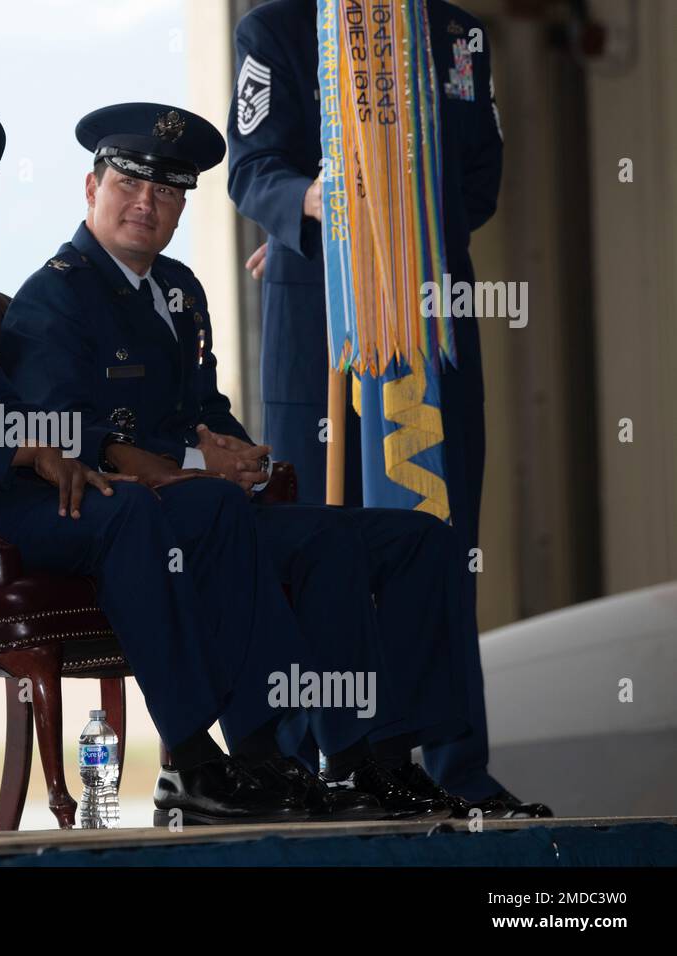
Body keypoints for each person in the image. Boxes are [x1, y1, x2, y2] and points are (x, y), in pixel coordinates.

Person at [0, 91, 382, 826]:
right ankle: (190, 761)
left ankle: (264, 755)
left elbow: (7, 405)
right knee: (131, 511)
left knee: (209, 503)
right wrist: (26, 447)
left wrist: (71, 448)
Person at [0, 101, 546, 818]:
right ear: (90, 188)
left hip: (213, 505)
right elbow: (68, 431)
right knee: (323, 547)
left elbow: (206, 406)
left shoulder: (179, 290)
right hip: (148, 520)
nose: (147, 203)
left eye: (167, 191)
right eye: (128, 184)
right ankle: (331, 757)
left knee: (419, 540)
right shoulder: (56, 294)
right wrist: (197, 456)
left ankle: (387, 756)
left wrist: (244, 453)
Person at [225, 0, 546, 813]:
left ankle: (450, 769)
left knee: (439, 547)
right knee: (313, 544)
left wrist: (388, 236)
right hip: (317, 327)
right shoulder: (278, 29)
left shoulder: (456, 33)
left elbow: (478, 180)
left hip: (429, 319)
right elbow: (253, 170)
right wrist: (319, 210)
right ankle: (314, 768)